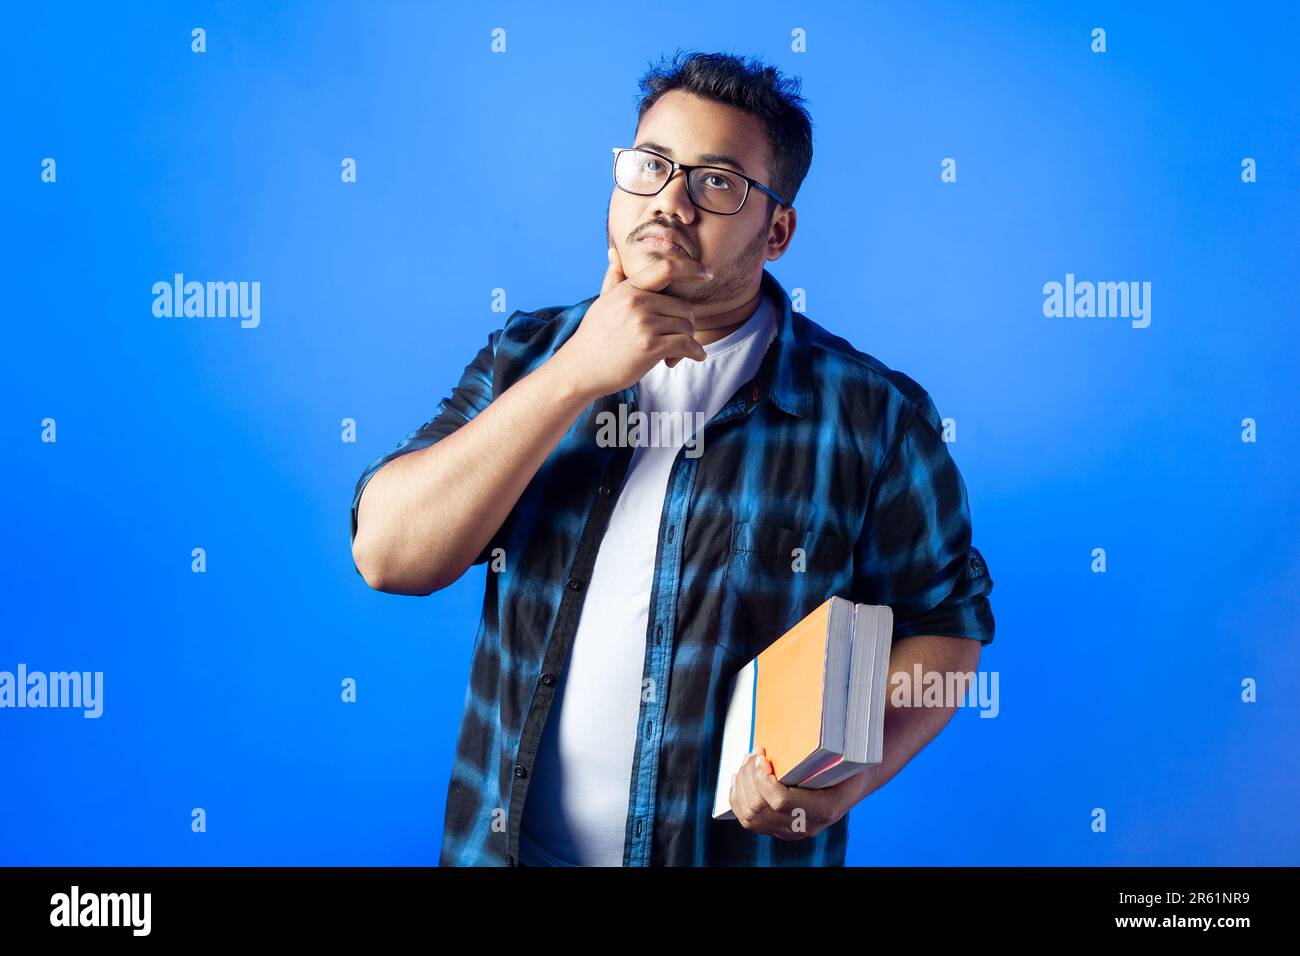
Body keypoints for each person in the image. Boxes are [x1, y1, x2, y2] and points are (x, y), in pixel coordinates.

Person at [350, 50, 995, 866]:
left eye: (717, 182)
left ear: (778, 231)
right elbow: (389, 555)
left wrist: (847, 780)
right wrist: (577, 374)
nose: (671, 201)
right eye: (652, 166)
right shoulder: (526, 356)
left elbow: (946, 626)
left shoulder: (872, 418)